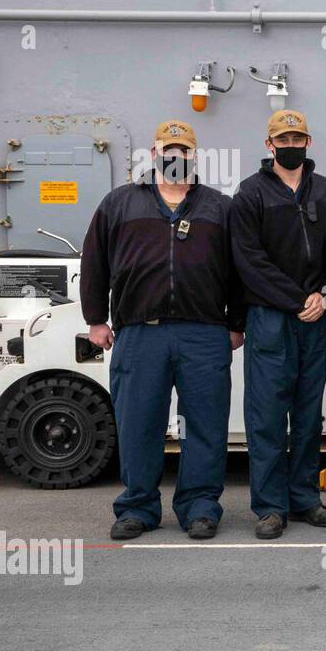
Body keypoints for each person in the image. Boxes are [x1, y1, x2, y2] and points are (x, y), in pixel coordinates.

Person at [82, 120, 245, 540]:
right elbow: (94, 262)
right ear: (153, 154)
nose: (176, 157)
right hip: (140, 333)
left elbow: (240, 272)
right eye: (168, 149)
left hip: (204, 333)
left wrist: (235, 323)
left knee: (206, 425)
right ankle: (137, 507)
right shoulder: (119, 204)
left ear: (195, 156)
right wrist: (96, 319)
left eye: (184, 150)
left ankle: (200, 507)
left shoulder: (219, 208)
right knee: (138, 422)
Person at [231, 109, 326, 539]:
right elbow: (249, 261)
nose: (291, 145)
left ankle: (305, 500)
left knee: (308, 414)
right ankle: (270, 507)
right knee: (266, 416)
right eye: (284, 139)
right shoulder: (250, 194)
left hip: (318, 318)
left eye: (298, 138)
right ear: (270, 144)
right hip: (270, 319)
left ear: (308, 143)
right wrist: (298, 299)